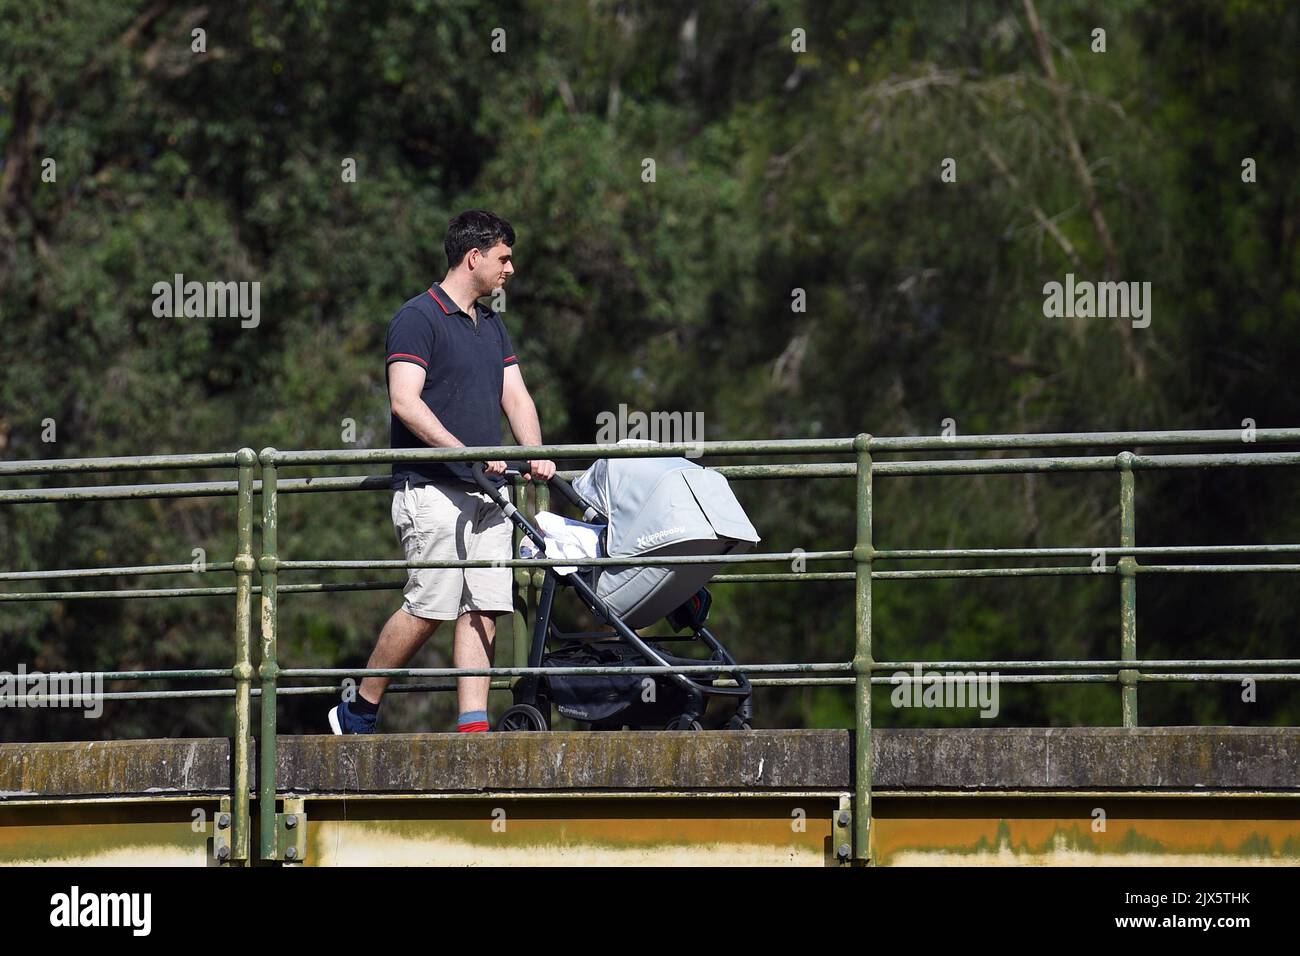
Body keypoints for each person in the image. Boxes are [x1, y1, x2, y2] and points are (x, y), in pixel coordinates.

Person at [329, 210, 556, 734]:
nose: (510, 269)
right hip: (431, 488)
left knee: (485, 605)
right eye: (504, 258)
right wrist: (469, 453)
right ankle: (359, 707)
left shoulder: (492, 323)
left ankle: (472, 727)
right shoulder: (417, 318)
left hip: (488, 492)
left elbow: (515, 394)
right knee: (429, 604)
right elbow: (405, 403)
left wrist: (536, 453)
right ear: (473, 257)